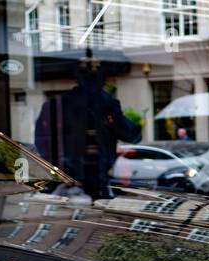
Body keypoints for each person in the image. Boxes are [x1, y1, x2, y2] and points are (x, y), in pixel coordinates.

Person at [33, 52, 141, 200]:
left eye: (96, 76)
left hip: (95, 182)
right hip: (73, 183)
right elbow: (42, 142)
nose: (94, 81)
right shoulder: (57, 105)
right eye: (90, 75)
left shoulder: (106, 104)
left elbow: (132, 135)